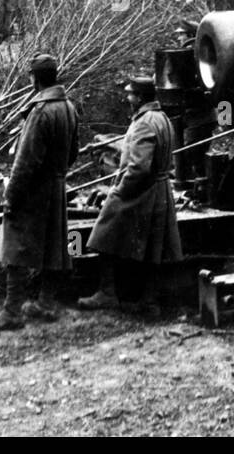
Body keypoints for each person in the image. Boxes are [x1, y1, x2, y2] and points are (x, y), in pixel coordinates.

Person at [0, 54, 80, 332]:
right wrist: (56, 175)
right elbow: (73, 152)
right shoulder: (68, 107)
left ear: (35, 79)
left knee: (14, 245)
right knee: (54, 245)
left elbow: (25, 162)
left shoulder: (40, 111)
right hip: (56, 188)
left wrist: (10, 196)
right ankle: (46, 303)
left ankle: (12, 312)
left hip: (34, 189)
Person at [77, 76, 182, 318]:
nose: (127, 98)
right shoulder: (162, 118)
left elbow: (138, 168)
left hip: (142, 191)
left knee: (104, 233)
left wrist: (117, 192)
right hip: (160, 190)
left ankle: (107, 293)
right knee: (154, 248)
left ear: (140, 97)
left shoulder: (144, 123)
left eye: (131, 94)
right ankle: (149, 300)